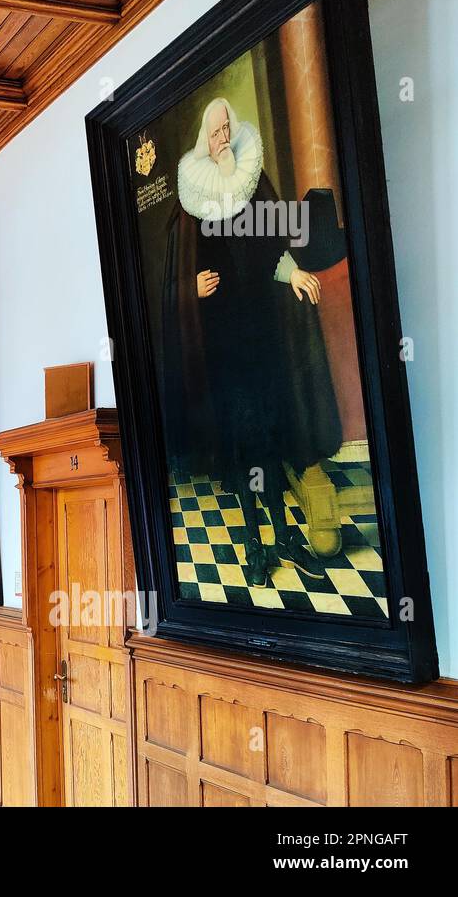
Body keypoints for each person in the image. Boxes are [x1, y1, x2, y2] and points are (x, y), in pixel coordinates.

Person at [161, 97, 342, 588]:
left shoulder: (253, 183)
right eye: (213, 130)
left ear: (235, 130)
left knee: (270, 440)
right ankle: (255, 546)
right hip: (221, 344)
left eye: (226, 128)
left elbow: (270, 251)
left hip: (262, 336)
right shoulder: (191, 196)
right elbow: (170, 279)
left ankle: (282, 535)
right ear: (204, 136)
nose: (221, 137)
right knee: (241, 450)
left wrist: (295, 272)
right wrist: (187, 290)